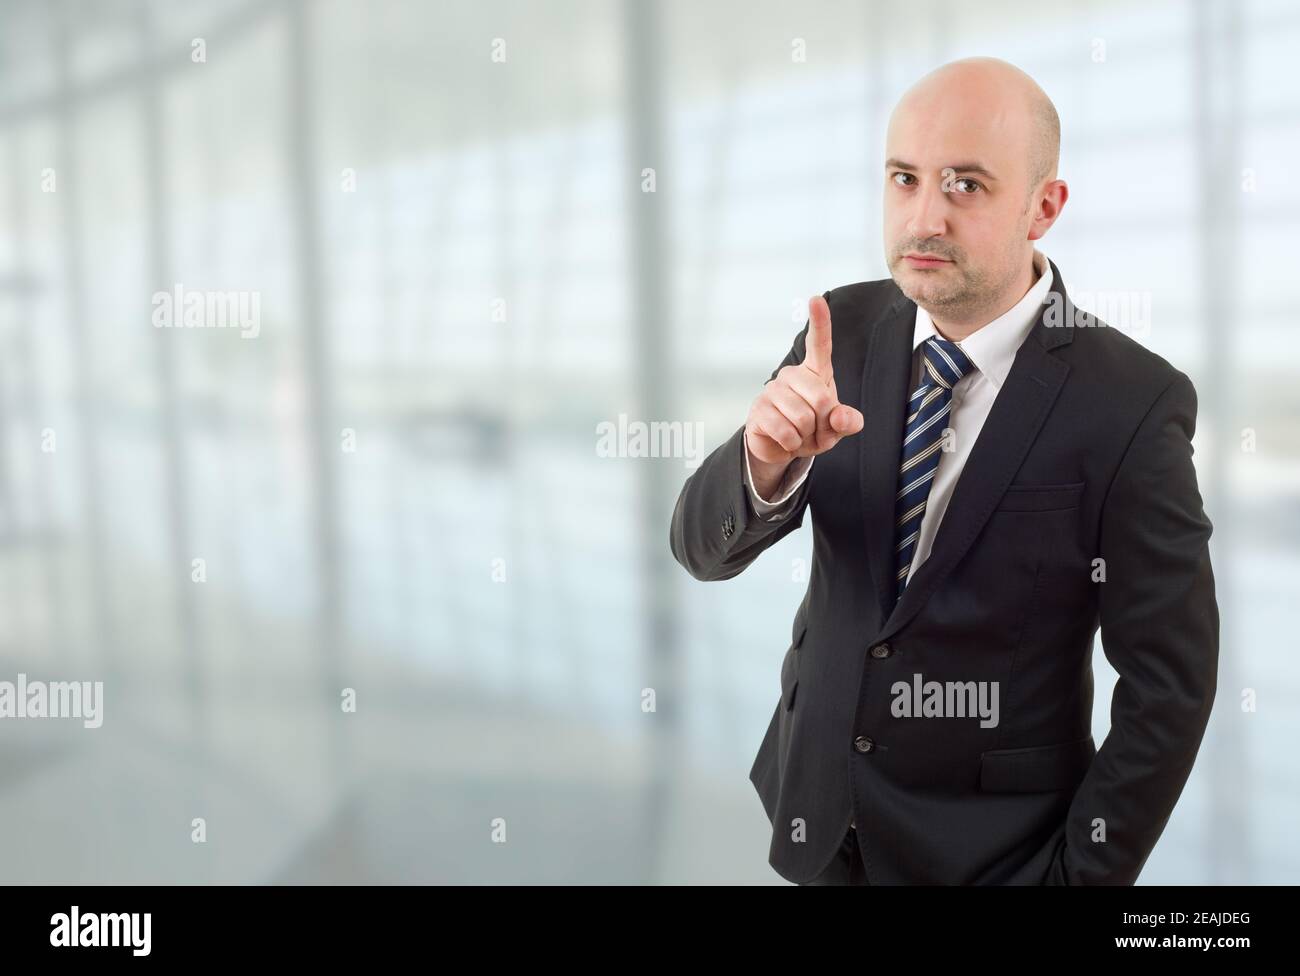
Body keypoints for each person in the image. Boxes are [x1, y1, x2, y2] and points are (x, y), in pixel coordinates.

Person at [668, 56, 1218, 885]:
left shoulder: (1131, 402)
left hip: (997, 854)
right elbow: (699, 552)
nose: (925, 218)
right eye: (904, 179)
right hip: (818, 818)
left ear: (1044, 207)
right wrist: (762, 459)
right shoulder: (840, 332)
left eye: (966, 185)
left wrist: (1081, 876)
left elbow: (1169, 685)